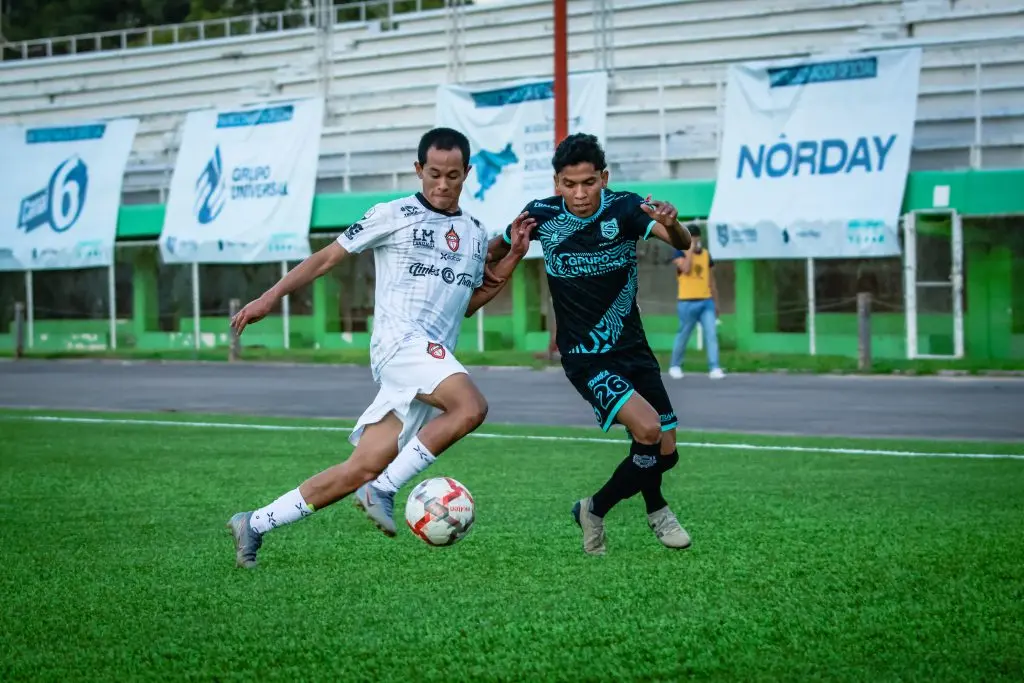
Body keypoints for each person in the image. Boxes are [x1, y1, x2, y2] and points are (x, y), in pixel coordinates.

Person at [367, 133, 695, 556]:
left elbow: (682, 243)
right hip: (585, 356)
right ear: (557, 182)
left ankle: (593, 508)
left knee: (666, 453)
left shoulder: (626, 208)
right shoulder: (541, 215)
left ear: (604, 178)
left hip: (634, 349)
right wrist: (448, 269)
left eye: (589, 183)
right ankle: (657, 510)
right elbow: (488, 251)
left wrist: (671, 223)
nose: (579, 194)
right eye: (570, 184)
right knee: (648, 429)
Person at [224, 127, 534, 568]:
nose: (442, 184)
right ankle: (384, 491)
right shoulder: (394, 213)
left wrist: (513, 256)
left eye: (452, 175)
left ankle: (253, 523)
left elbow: (468, 303)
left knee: (360, 469)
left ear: (468, 174)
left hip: (429, 362)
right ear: (418, 170)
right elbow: (328, 257)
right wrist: (269, 297)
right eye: (433, 174)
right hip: (401, 344)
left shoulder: (473, 233)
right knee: (470, 408)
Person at [668, 225, 725, 380]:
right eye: (691, 237)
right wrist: (690, 251)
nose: (694, 240)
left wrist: (716, 302)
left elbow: (711, 281)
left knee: (711, 335)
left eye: (696, 237)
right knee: (684, 334)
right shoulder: (678, 253)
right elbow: (685, 269)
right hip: (687, 302)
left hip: (706, 301)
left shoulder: (706, 255)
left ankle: (714, 367)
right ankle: (675, 366)